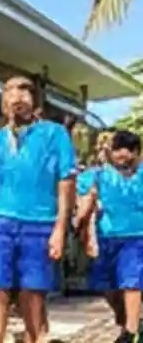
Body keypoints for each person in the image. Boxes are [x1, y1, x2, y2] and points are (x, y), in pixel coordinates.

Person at [0, 75, 77, 343]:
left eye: (24, 91)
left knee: (32, 291)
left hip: (40, 224)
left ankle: (35, 337)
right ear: (3, 102)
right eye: (10, 91)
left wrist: (60, 229)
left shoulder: (54, 134)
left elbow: (66, 183)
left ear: (35, 102)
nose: (17, 97)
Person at [77, 130, 143, 343]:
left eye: (129, 150)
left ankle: (130, 332)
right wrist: (81, 228)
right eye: (118, 150)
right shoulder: (96, 176)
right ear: (110, 152)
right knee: (107, 287)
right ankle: (127, 320)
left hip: (136, 238)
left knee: (131, 282)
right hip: (106, 238)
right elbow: (84, 207)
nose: (124, 155)